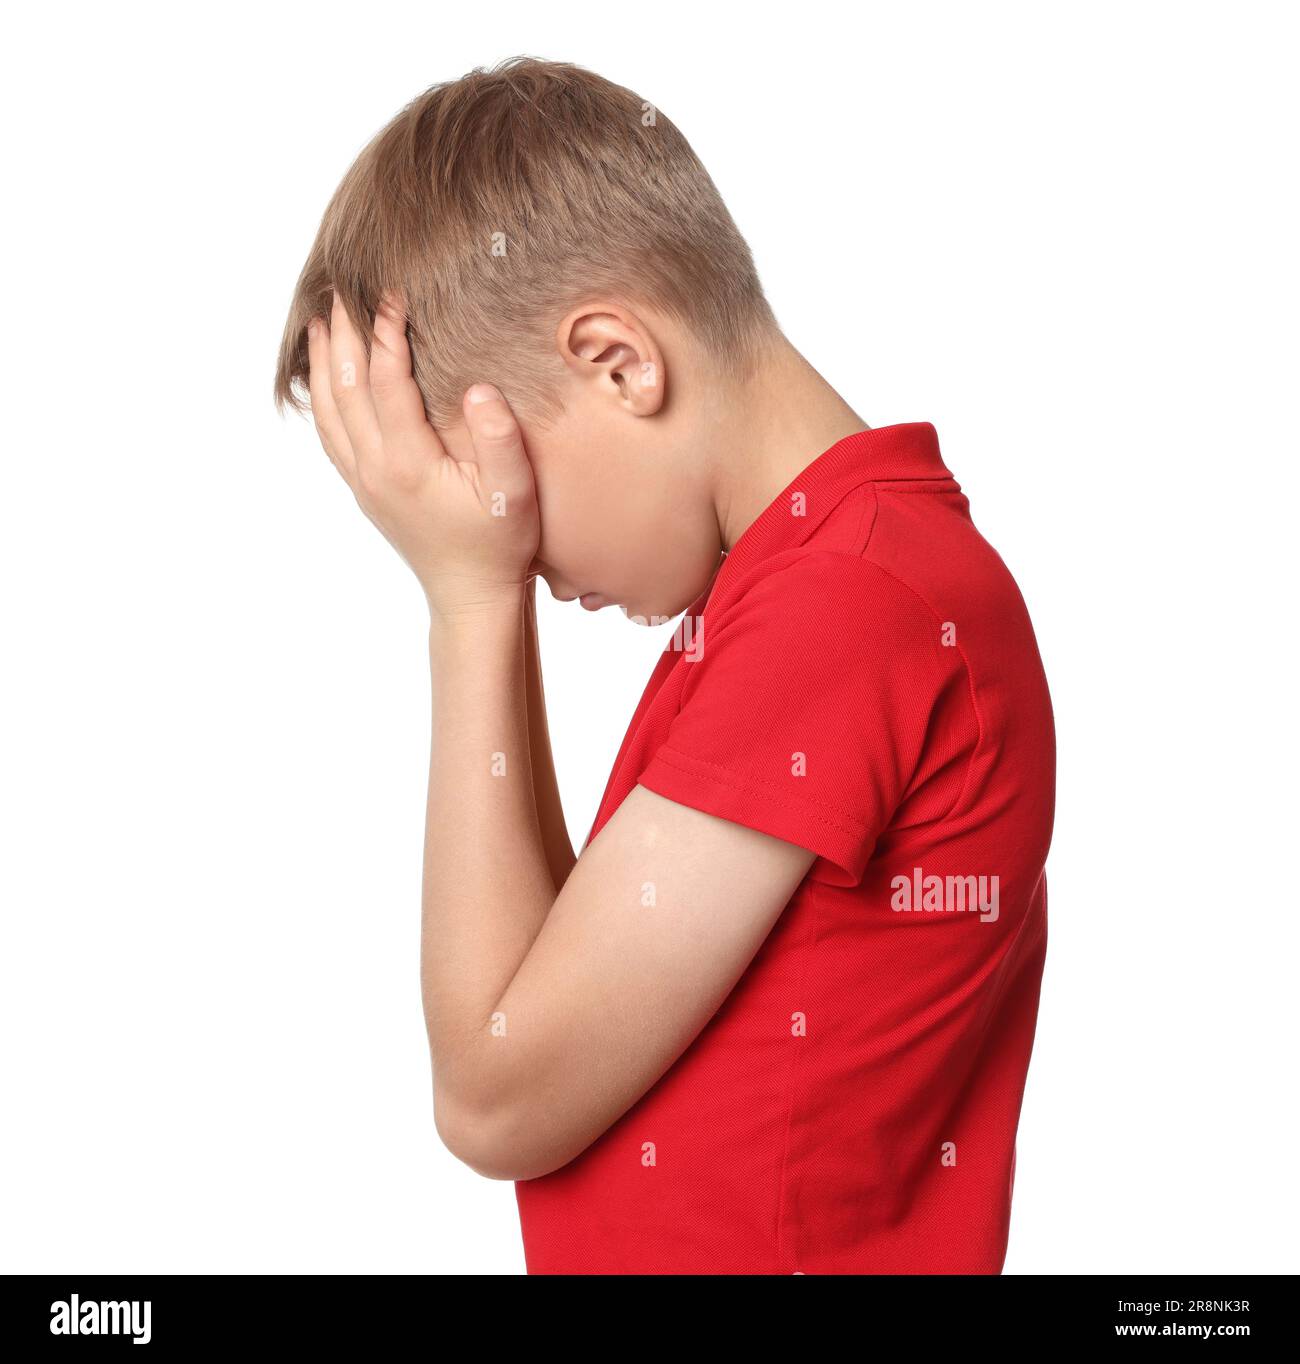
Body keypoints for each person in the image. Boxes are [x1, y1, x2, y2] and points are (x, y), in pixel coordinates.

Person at [275, 57, 1055, 1275]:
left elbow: (494, 1093)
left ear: (618, 361)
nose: (519, 549)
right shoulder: (817, 586)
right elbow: (541, 987)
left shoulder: (843, 605)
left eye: (507, 494)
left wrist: (468, 596)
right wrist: (482, 586)